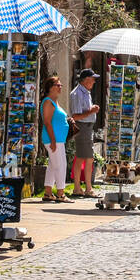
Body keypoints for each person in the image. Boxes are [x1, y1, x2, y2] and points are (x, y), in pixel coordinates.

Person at [69, 69, 100, 197]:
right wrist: (91, 111)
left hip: (87, 127)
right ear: (86, 79)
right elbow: (75, 116)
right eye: (92, 79)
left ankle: (80, 188)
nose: (94, 81)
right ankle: (87, 188)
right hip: (82, 127)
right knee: (87, 158)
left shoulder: (85, 92)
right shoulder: (77, 94)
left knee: (83, 158)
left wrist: (91, 111)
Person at [40, 75, 70, 202]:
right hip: (54, 139)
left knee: (53, 165)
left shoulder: (54, 101)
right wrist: (52, 140)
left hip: (58, 139)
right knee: (60, 165)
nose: (60, 87)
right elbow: (47, 122)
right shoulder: (48, 102)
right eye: (58, 85)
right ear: (51, 88)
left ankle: (48, 192)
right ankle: (60, 193)